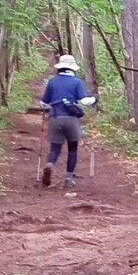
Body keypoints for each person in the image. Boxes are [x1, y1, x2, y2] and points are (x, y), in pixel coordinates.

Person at [39, 54, 95, 187]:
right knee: (72, 149)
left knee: (55, 148)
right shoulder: (77, 82)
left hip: (55, 118)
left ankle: (50, 164)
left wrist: (52, 106)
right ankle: (69, 178)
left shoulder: (52, 81)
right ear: (72, 68)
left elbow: (43, 103)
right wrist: (95, 98)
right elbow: (85, 101)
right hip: (72, 119)